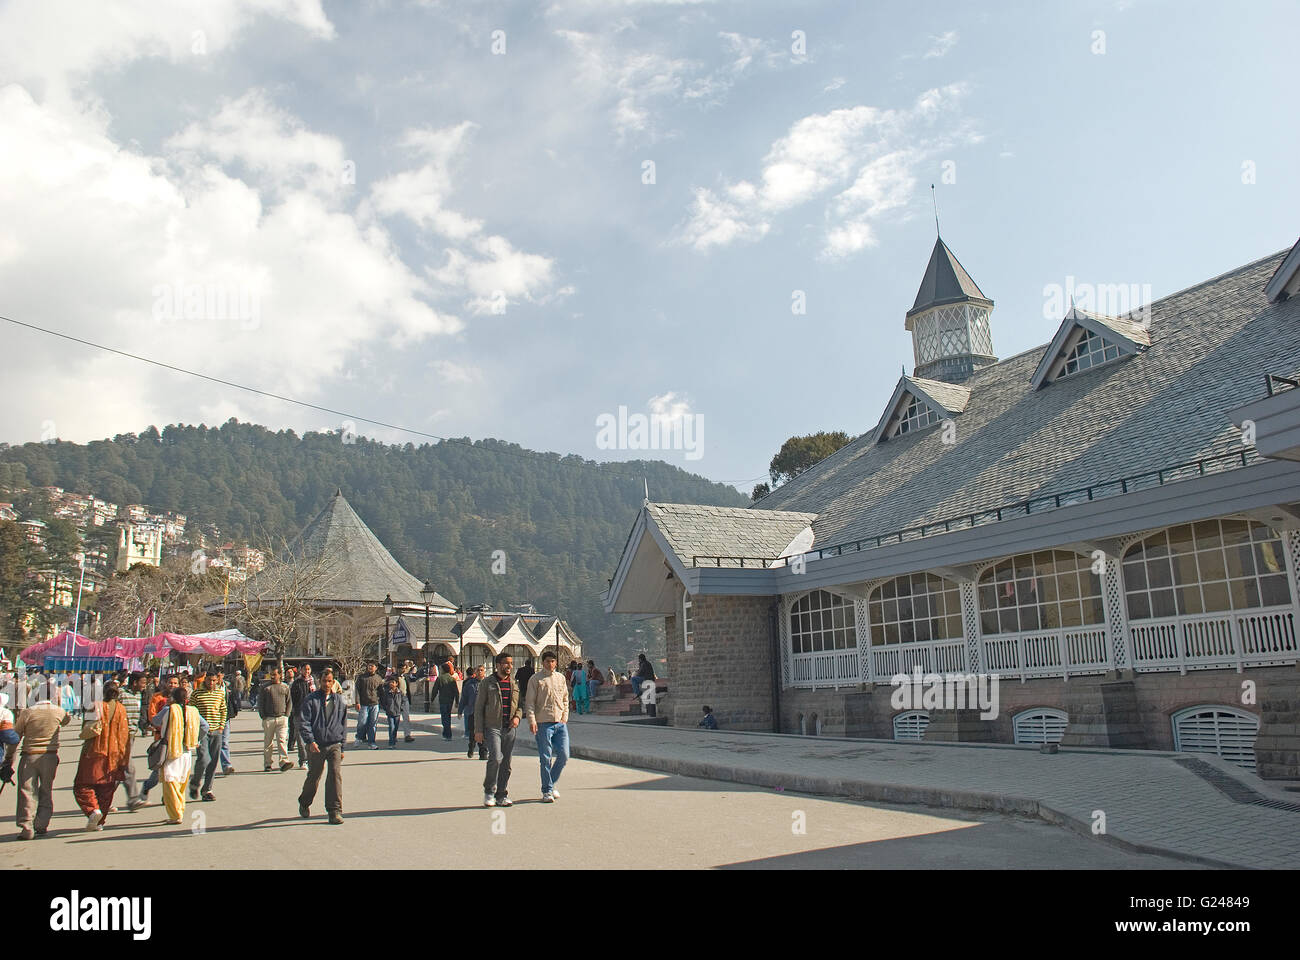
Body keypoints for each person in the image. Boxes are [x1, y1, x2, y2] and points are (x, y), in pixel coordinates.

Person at [4, 683, 70, 840]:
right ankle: (42, 823)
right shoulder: (59, 711)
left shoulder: (28, 712)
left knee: (27, 791)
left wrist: (8, 758)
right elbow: (66, 721)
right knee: (46, 790)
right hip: (50, 756)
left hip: (29, 755)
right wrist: (58, 702)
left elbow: (15, 737)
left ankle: (27, 825)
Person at [72, 680, 131, 831]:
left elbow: (85, 728)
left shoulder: (95, 706)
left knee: (83, 785)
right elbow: (125, 736)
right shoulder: (121, 709)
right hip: (114, 754)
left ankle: (93, 810)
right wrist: (124, 758)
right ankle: (100, 821)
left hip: (94, 752)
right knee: (106, 790)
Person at [297, 667, 347, 825]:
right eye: (324, 681)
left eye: (330, 681)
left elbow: (343, 724)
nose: (327, 684)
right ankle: (305, 802)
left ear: (334, 682)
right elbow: (303, 722)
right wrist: (310, 741)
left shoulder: (339, 700)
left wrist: (343, 746)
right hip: (317, 745)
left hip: (334, 744)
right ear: (319, 682)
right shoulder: (311, 700)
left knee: (335, 775)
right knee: (314, 777)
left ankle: (334, 811)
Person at [151, 685, 207, 825]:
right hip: (187, 751)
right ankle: (179, 810)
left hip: (171, 751)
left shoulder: (168, 710)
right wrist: (196, 739)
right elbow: (205, 726)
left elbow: (155, 721)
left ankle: (175, 814)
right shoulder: (193, 711)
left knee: (170, 782)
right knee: (181, 782)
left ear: (173, 698)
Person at [474, 652, 520, 808]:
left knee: (506, 763)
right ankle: (489, 791)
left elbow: (519, 706)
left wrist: (517, 717)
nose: (509, 666)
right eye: (506, 663)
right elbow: (479, 708)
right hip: (493, 727)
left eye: (511, 663)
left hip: (509, 728)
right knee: (496, 758)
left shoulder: (514, 684)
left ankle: (502, 794)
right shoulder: (487, 683)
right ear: (498, 665)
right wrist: (478, 731)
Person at [526, 649, 570, 803]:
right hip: (543, 723)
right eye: (547, 661)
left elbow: (565, 698)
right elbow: (530, 702)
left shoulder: (561, 678)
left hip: (559, 723)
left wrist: (565, 716)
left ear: (556, 663)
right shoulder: (536, 679)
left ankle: (550, 782)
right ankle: (547, 790)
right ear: (542, 663)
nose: (550, 664)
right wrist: (532, 720)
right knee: (545, 758)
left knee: (564, 755)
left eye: (553, 661)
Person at [137, 674, 178, 805]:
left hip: (177, 740)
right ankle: (147, 786)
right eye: (170, 683)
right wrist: (163, 728)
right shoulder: (157, 697)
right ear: (165, 683)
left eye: (175, 683)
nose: (173, 685)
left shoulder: (181, 698)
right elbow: (152, 716)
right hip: (162, 738)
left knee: (173, 769)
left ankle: (166, 795)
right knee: (159, 768)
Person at [190, 672, 227, 802]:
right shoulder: (196, 694)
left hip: (216, 731)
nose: (211, 683)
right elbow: (191, 711)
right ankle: (195, 782)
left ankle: (207, 789)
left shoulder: (220, 693)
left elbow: (223, 710)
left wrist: (222, 726)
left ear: (217, 681)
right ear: (204, 680)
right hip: (202, 732)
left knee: (213, 761)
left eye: (213, 681)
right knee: (204, 759)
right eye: (209, 680)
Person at [117, 672, 146, 810]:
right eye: (143, 682)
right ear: (134, 683)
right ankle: (133, 799)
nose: (144, 685)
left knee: (119, 769)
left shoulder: (138, 695)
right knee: (128, 768)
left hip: (131, 736)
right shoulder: (121, 694)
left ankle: (103, 799)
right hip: (120, 736)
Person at [258, 668, 294, 772]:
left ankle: (284, 762)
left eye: (274, 674)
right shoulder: (265, 688)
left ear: (280, 675)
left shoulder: (285, 687)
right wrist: (263, 716)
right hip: (269, 718)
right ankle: (268, 763)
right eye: (271, 674)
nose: (273, 676)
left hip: (282, 718)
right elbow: (261, 702)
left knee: (282, 740)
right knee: (268, 743)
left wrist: (287, 715)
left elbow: (289, 702)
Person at [289, 664, 314, 767]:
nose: (307, 671)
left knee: (311, 737)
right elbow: (292, 699)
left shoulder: (313, 682)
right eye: (305, 669)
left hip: (312, 713)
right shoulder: (296, 683)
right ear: (301, 670)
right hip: (299, 713)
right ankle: (303, 760)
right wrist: (293, 711)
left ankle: (312, 759)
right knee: (300, 738)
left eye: (308, 669)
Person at [459, 665, 486, 759]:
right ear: (475, 672)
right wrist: (460, 710)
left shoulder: (488, 684)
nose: (480, 672)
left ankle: (483, 752)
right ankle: (471, 747)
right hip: (472, 712)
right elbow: (464, 698)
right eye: (478, 670)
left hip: (484, 713)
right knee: (472, 733)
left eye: (482, 670)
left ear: (484, 672)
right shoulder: (469, 684)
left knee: (484, 732)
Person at [354, 662, 382, 750]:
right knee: (362, 722)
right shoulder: (362, 677)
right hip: (364, 704)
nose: (370, 667)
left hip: (374, 704)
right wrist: (357, 702)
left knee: (373, 724)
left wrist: (383, 703)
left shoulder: (378, 678)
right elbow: (357, 690)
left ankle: (371, 742)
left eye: (372, 666)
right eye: (369, 666)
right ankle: (359, 737)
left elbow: (381, 692)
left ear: (376, 668)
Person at [218, 668, 238, 775]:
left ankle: (226, 766)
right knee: (210, 746)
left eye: (219, 675)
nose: (217, 678)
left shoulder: (227, 687)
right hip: (212, 720)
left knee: (224, 743)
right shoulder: (208, 689)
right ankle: (207, 767)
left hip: (225, 719)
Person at [433, 661, 460, 740]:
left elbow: (435, 689)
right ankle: (447, 734)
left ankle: (447, 734)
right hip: (450, 700)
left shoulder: (440, 678)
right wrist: (457, 701)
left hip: (443, 700)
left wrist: (432, 698)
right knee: (448, 717)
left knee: (444, 717)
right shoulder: (452, 679)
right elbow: (456, 691)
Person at [379, 677, 404, 749]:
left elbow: (402, 701)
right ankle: (391, 743)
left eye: (393, 682)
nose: (391, 684)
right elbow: (383, 702)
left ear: (396, 684)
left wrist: (401, 708)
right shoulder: (386, 692)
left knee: (396, 727)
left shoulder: (400, 692)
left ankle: (394, 738)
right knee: (391, 727)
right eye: (390, 682)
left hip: (397, 713)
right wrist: (386, 709)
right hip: (390, 713)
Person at [398, 662, 415, 742]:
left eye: (405, 668)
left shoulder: (406, 677)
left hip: (405, 698)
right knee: (395, 718)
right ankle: (393, 735)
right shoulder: (394, 678)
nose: (403, 670)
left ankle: (407, 735)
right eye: (402, 668)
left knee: (406, 717)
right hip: (396, 699)